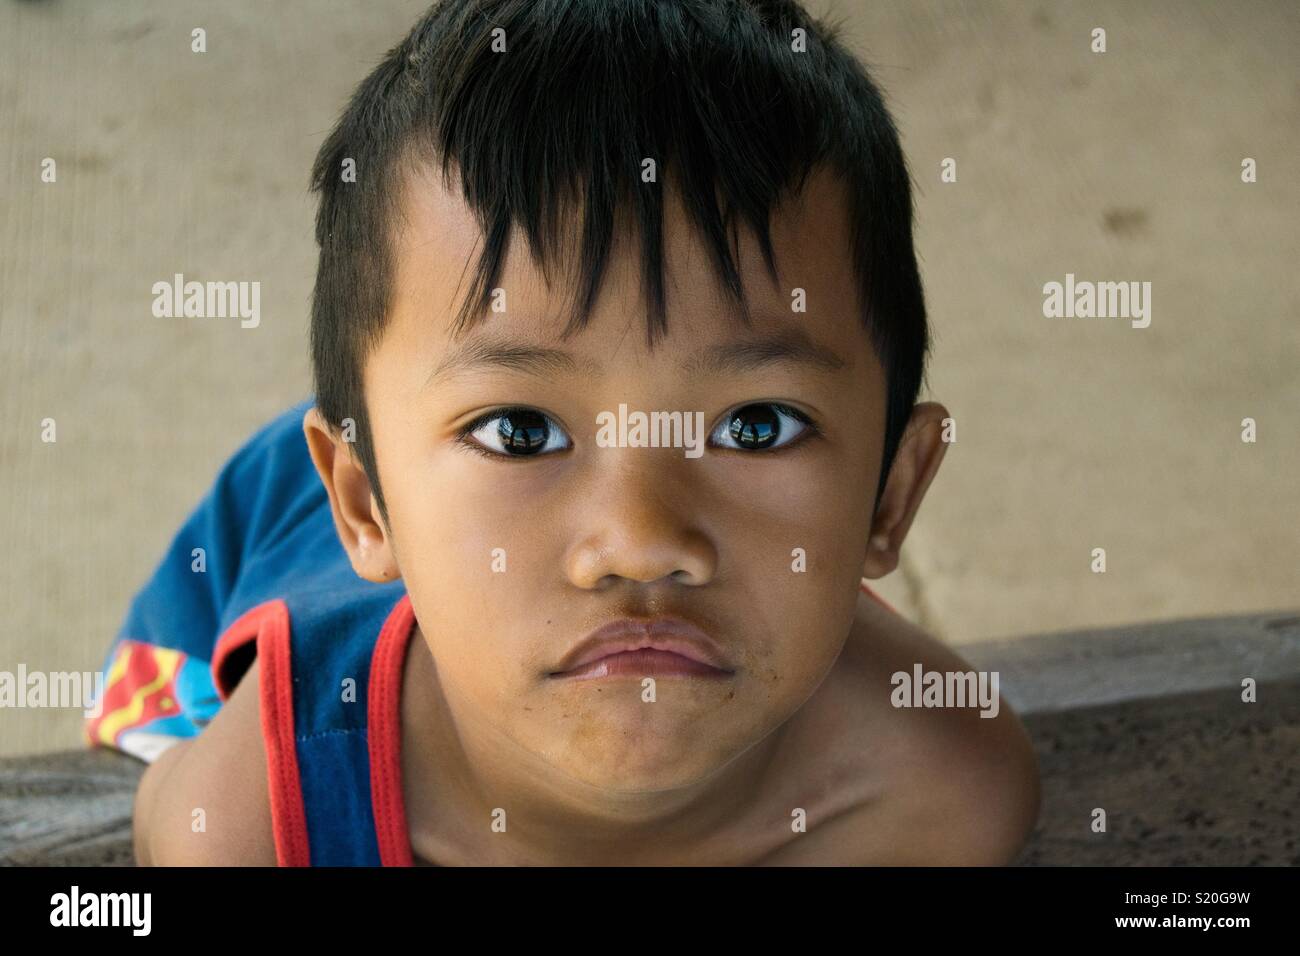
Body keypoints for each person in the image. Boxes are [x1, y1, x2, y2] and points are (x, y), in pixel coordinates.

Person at [89, 0, 1040, 865]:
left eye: (756, 427)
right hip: (266, 533)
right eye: (518, 429)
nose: (639, 542)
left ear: (892, 491)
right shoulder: (248, 821)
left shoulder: (936, 798)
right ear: (363, 501)